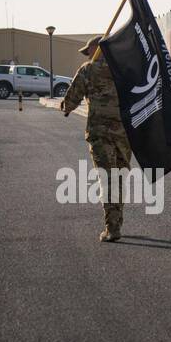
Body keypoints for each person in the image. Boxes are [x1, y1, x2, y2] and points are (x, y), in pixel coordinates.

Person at [60, 36, 131, 242]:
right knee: (118, 178)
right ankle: (116, 223)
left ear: (98, 50)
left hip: (100, 134)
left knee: (107, 178)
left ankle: (112, 228)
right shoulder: (125, 70)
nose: (88, 55)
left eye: (89, 51)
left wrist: (66, 108)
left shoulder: (87, 70)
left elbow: (71, 99)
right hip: (124, 135)